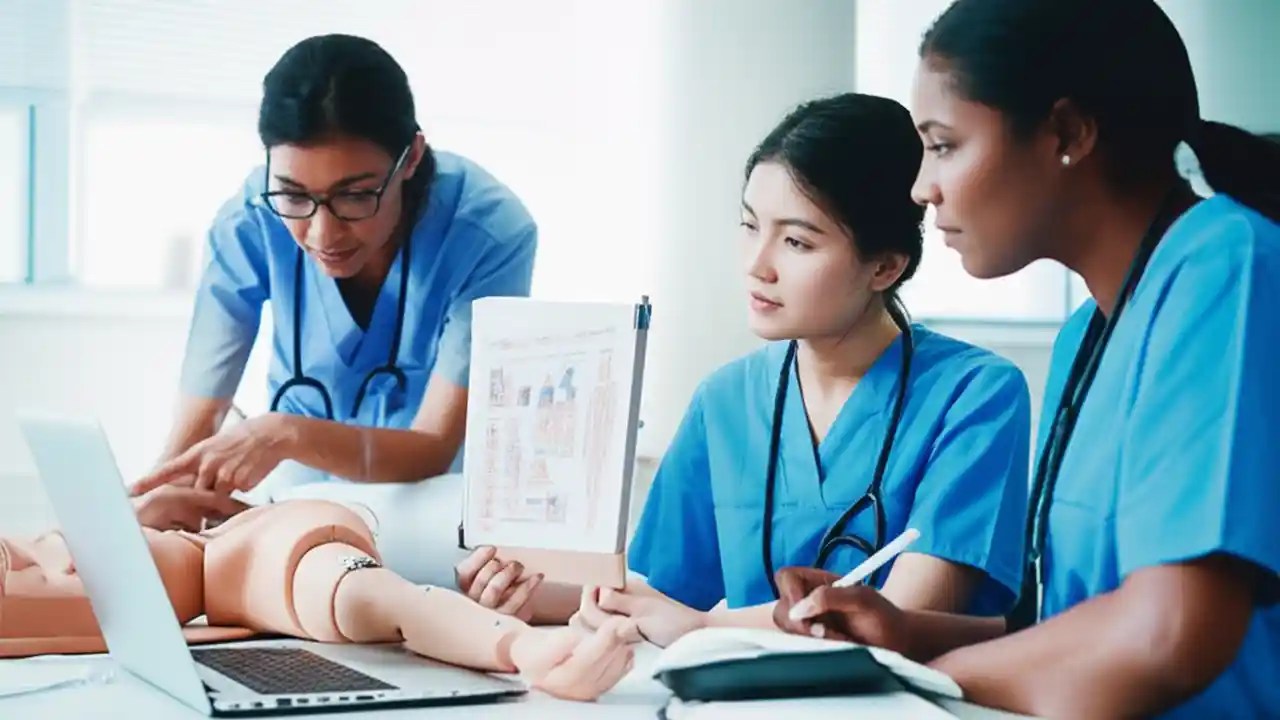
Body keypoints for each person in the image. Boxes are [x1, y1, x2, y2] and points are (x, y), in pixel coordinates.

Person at [772, 1, 1280, 717]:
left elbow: (1170, 633)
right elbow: (1065, 625)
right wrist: (902, 633)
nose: (922, 188)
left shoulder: (1228, 268)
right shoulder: (1087, 334)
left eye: (944, 146)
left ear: (1067, 133)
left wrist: (924, 675)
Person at [456, 94, 1032, 646]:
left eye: (798, 243)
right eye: (750, 225)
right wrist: (528, 592)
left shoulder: (976, 395)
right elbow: (661, 591)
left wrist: (708, 629)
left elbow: (906, 617)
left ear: (884, 266)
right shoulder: (726, 399)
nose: (758, 265)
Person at [129, 34, 537, 530]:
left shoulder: (488, 233)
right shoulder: (250, 218)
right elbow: (197, 427)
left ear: (409, 158)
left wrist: (285, 433)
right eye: (293, 195)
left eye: (356, 195)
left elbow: (432, 446)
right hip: (297, 494)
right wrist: (138, 517)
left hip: (427, 501)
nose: (322, 234)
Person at [0, 499, 634, 702]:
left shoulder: (280, 569)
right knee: (379, 599)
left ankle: (567, 624)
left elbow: (404, 605)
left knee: (383, 597)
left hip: (250, 543)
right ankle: (565, 626)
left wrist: (520, 648)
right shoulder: (282, 575)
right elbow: (399, 605)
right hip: (251, 560)